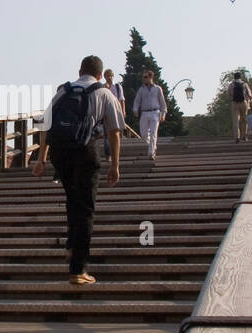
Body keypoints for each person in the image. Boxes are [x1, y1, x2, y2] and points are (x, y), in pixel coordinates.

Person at [32, 55, 124, 285]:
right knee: (86, 208)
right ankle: (78, 269)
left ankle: (72, 245)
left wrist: (41, 159)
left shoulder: (63, 91)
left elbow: (44, 124)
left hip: (59, 152)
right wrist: (114, 165)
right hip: (85, 151)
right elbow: (114, 131)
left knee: (73, 200)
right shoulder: (104, 93)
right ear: (100, 75)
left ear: (79, 70)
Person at [132, 69, 167, 161]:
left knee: (153, 133)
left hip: (155, 112)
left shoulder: (157, 88)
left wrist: (163, 114)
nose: (144, 79)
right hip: (144, 113)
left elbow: (162, 102)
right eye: (143, 77)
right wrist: (135, 109)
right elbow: (137, 101)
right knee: (143, 134)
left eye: (146, 77)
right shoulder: (141, 89)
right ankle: (153, 146)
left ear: (151, 77)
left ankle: (151, 153)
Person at [102, 68, 126, 155]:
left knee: (117, 131)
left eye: (111, 76)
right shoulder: (102, 87)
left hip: (117, 110)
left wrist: (123, 111)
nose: (109, 78)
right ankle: (108, 153)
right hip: (106, 112)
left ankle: (116, 151)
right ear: (105, 77)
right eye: (107, 76)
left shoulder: (117, 86)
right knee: (107, 133)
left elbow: (121, 99)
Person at [229, 71, 252, 142]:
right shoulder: (244, 84)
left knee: (235, 121)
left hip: (234, 103)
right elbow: (250, 95)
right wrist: (248, 100)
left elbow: (229, 94)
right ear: (240, 77)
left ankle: (237, 137)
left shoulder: (231, 85)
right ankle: (244, 136)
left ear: (234, 77)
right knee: (244, 120)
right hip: (243, 103)